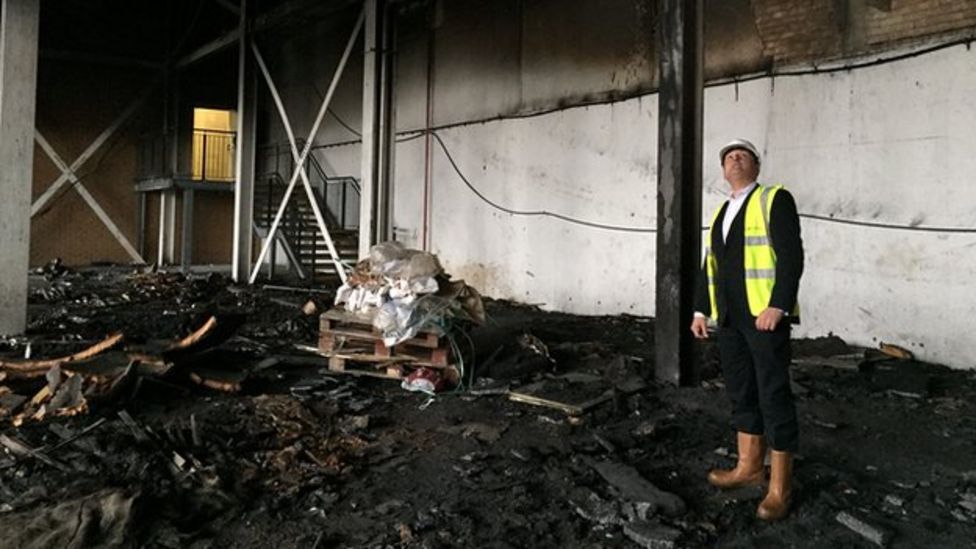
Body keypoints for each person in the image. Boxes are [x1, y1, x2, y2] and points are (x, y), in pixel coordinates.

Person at [690, 138, 803, 521]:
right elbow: (711, 268)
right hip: (731, 321)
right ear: (723, 171)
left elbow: (792, 255)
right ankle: (749, 467)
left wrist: (779, 304)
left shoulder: (775, 199)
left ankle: (780, 486)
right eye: (728, 157)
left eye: (742, 155)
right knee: (741, 389)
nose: (734, 160)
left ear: (755, 166)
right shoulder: (722, 212)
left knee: (773, 392)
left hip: (763, 317)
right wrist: (701, 311)